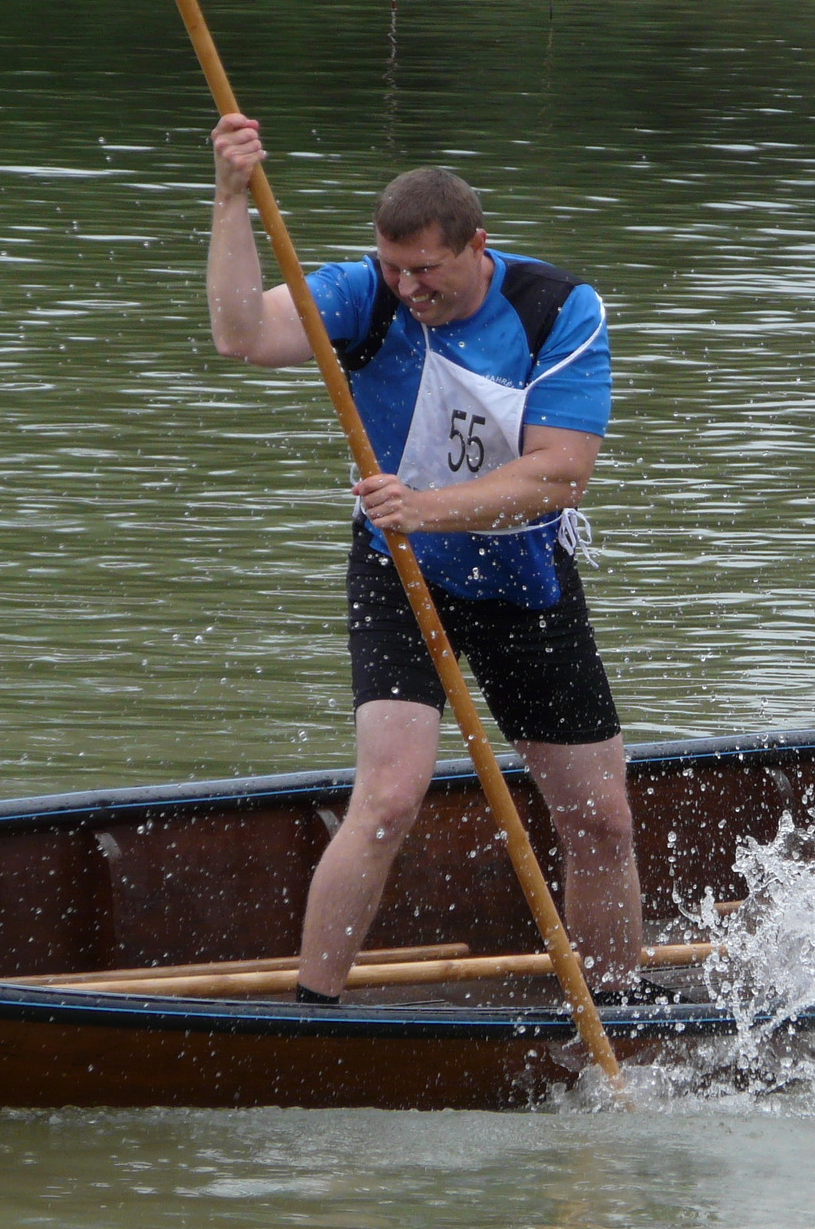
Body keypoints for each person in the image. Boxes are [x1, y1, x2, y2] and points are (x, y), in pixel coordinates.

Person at [207, 112, 656, 1005]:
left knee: (600, 820)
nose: (409, 288)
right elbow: (242, 337)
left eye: (428, 271)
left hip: (521, 579)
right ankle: (312, 1013)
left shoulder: (555, 309)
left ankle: (614, 1012)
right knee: (389, 797)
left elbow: (562, 475)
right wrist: (229, 203)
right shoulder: (364, 295)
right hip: (399, 573)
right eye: (394, 267)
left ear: (475, 247)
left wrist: (428, 508)